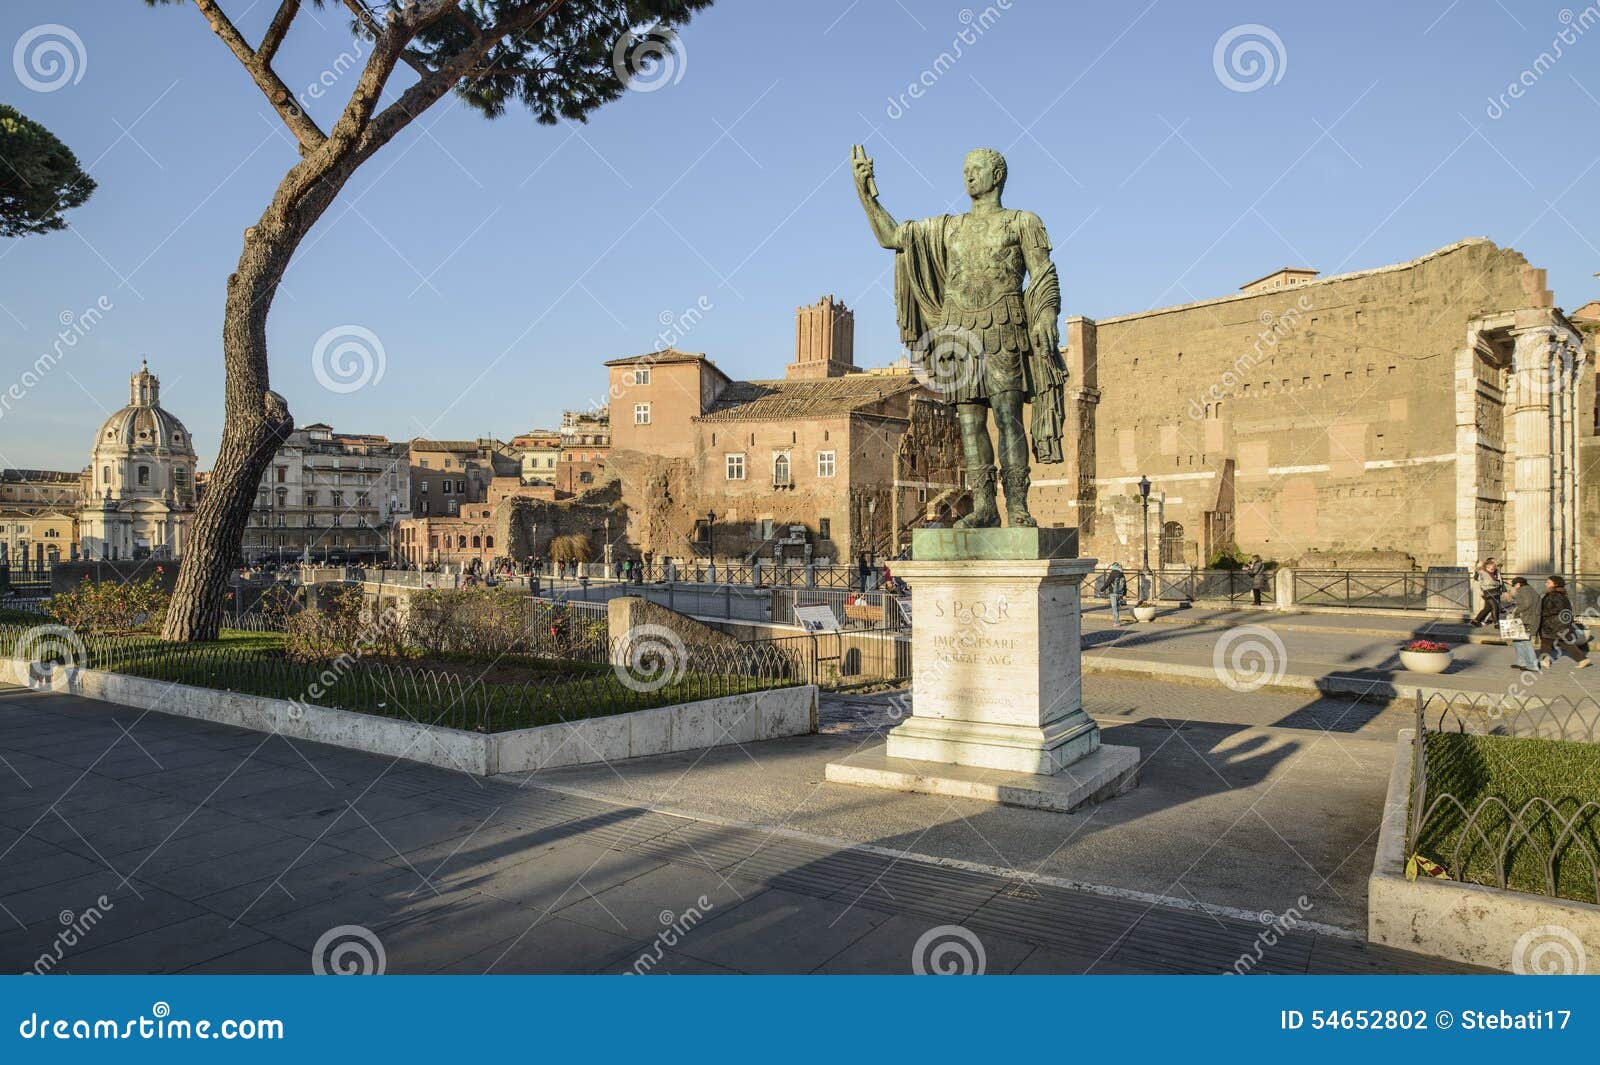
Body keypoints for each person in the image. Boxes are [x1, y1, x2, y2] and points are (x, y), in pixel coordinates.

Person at [1537, 574, 1590, 669]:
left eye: (1548, 582)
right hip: (1556, 624)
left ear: (1555, 584)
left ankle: (1582, 659)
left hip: (1555, 624)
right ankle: (1545, 660)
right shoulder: (1556, 594)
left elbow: (1559, 609)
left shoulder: (1555, 595)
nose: (1546, 584)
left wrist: (1543, 612)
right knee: (1549, 641)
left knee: (1556, 642)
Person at [1507, 576, 1540, 672]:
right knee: (1517, 640)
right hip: (1528, 618)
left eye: (1514, 585)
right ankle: (1521, 662)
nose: (1514, 587)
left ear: (1518, 584)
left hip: (1526, 619)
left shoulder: (1523, 590)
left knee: (1525, 642)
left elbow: (1526, 603)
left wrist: (1515, 610)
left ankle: (1532, 665)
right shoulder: (1530, 590)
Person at [1472, 558, 1504, 627]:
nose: (1492, 569)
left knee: (1487, 608)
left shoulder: (1496, 573)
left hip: (1495, 592)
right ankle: (1496, 623)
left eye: (1493, 568)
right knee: (1495, 607)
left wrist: (1499, 586)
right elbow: (1477, 581)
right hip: (1487, 592)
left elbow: (1500, 582)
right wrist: (1480, 591)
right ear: (1486, 567)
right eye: (1490, 568)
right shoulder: (1482, 572)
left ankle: (1476, 621)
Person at [1107, 561, 1128, 626]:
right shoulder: (1121, 573)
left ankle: (1116, 622)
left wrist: (1102, 590)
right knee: (1117, 607)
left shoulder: (1113, 573)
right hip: (1120, 592)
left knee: (1114, 607)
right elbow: (1125, 584)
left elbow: (1108, 582)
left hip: (1113, 592)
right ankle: (1117, 620)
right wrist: (1124, 593)